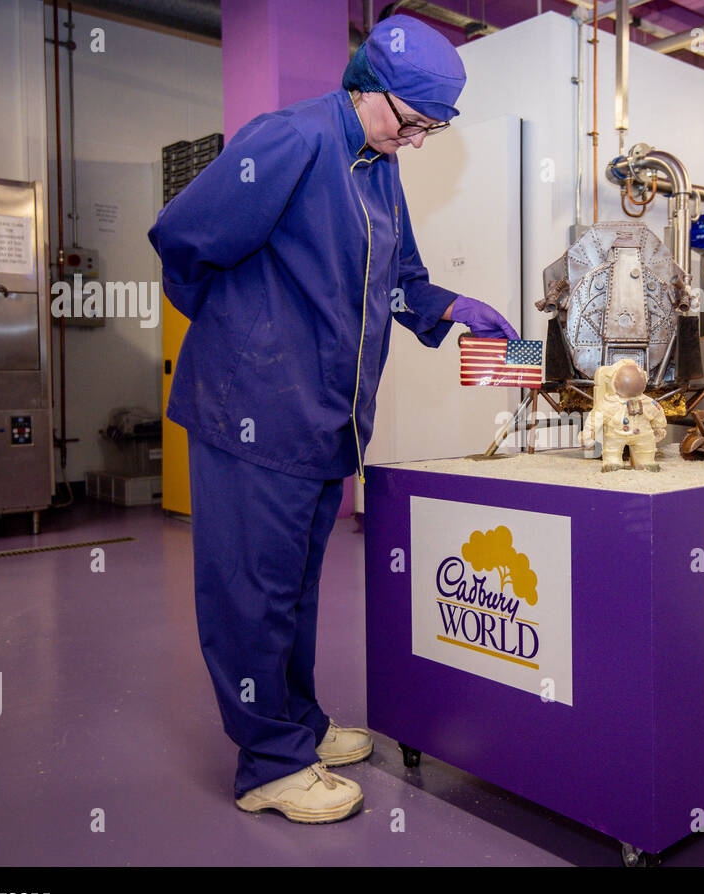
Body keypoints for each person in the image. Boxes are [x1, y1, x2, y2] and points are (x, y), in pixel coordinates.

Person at [148, 15, 516, 824]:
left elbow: (400, 279)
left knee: (295, 591)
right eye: (414, 124)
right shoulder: (290, 139)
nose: (418, 142)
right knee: (251, 592)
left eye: (430, 129)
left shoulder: (377, 165)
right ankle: (268, 767)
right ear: (368, 89)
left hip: (324, 421)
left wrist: (448, 304)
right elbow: (184, 236)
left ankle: (299, 726)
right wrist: (239, 327)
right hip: (254, 411)